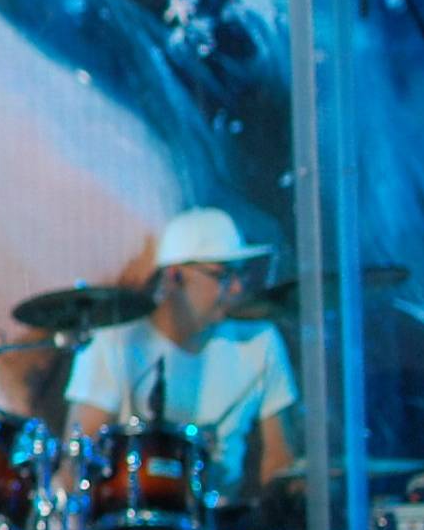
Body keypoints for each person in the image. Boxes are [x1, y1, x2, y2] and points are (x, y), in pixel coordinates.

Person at [65, 205, 297, 502]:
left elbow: (279, 459)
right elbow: (79, 459)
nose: (237, 288)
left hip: (221, 520)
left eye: (240, 274)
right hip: (129, 511)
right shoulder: (114, 340)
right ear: (173, 276)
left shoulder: (260, 340)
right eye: (222, 275)